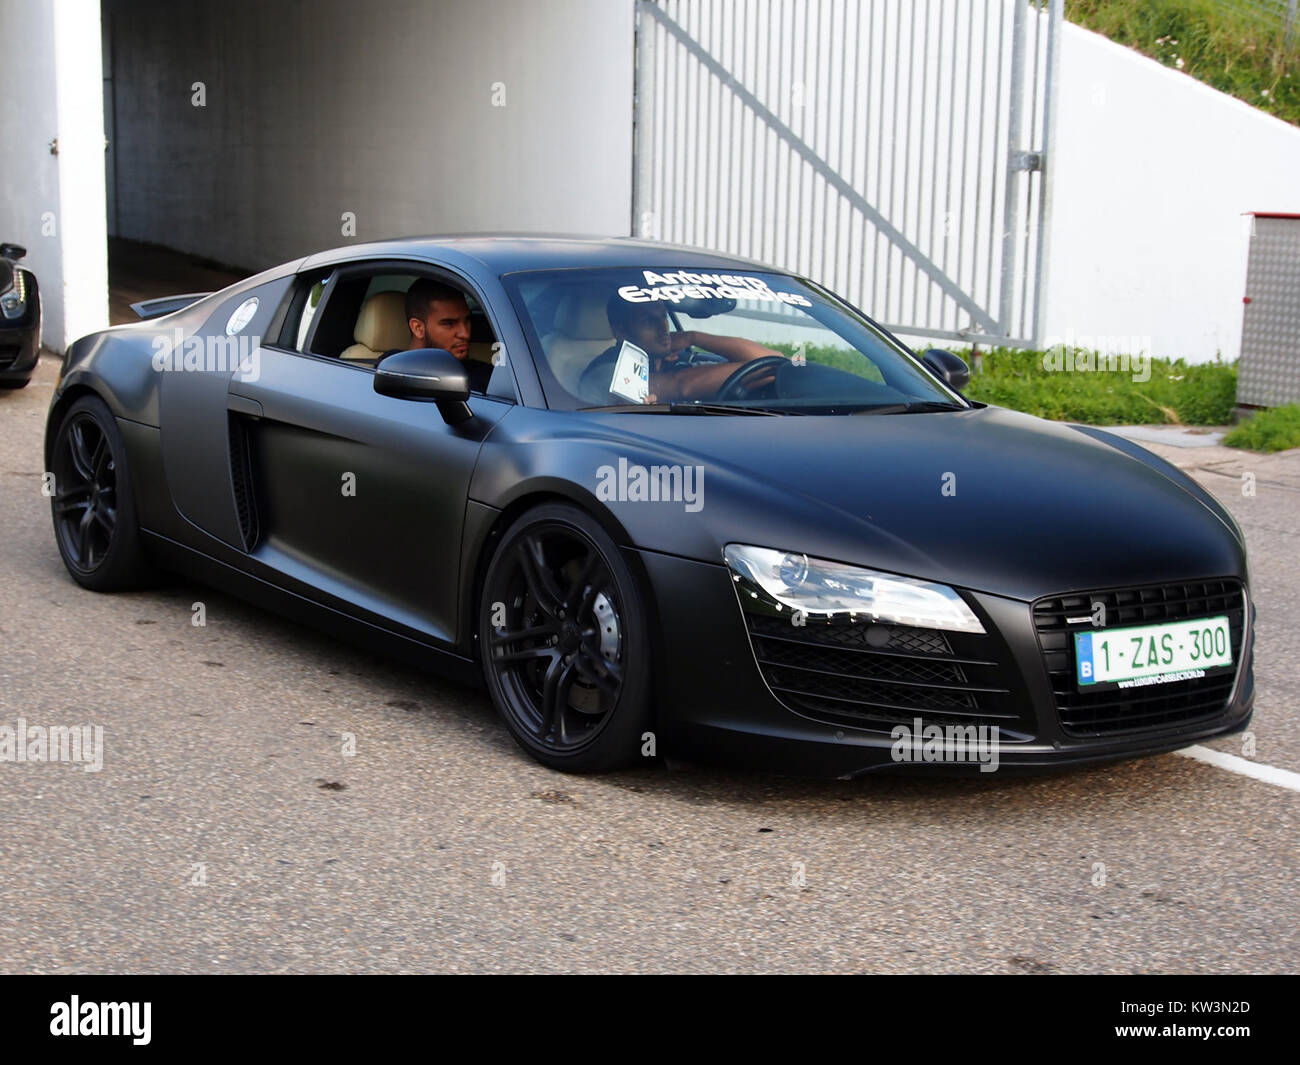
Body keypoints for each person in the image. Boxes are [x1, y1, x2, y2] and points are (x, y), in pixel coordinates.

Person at [577, 294, 785, 405]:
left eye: (663, 317)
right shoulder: (609, 370)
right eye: (648, 321)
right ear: (620, 331)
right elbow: (681, 385)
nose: (663, 327)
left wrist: (691, 337)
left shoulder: (669, 359)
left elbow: (775, 360)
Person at [388, 278, 493, 392]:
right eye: (449, 323)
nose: (465, 334)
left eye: (467, 320)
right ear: (418, 328)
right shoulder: (389, 370)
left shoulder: (487, 377)